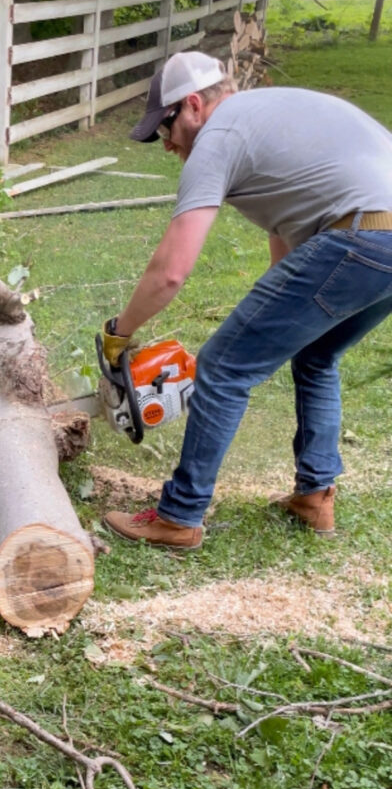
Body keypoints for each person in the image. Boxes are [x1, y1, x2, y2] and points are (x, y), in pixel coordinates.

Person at [100, 50, 392, 548]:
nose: (166, 144)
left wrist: (119, 332)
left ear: (193, 105)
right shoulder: (267, 117)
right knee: (316, 354)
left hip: (362, 237)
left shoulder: (219, 135)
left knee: (222, 368)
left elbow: (171, 271)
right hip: (375, 235)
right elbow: (289, 242)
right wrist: (265, 329)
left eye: (165, 128)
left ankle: (179, 516)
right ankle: (315, 495)